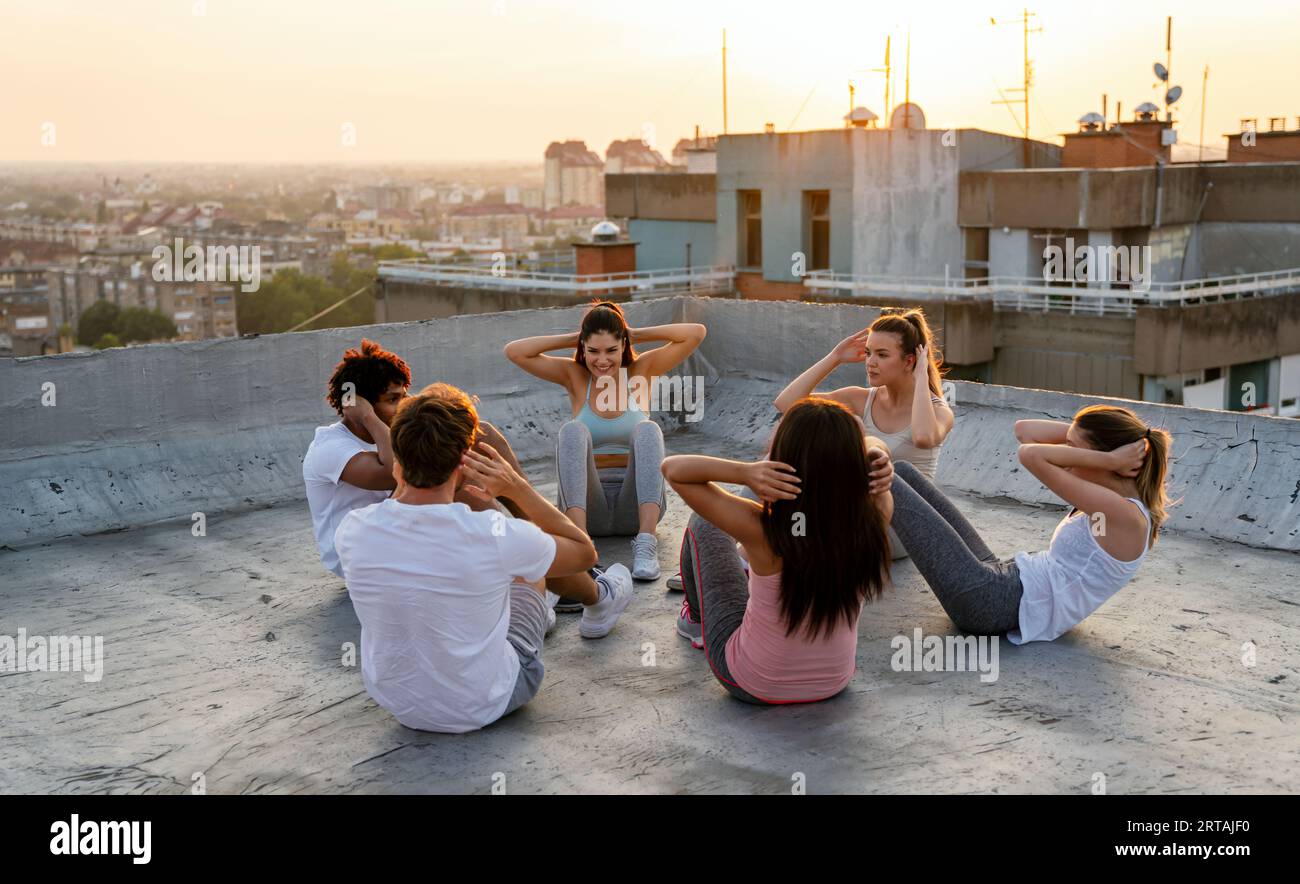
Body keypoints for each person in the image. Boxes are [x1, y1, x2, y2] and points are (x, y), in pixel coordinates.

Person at [333, 384, 634, 735]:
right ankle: (602, 600)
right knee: (528, 568)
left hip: (402, 705)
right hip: (486, 702)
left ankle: (535, 612)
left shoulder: (353, 530)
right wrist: (515, 487)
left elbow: (413, 545)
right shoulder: (491, 532)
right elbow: (584, 551)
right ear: (464, 461)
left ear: (397, 459)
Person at [663, 398, 895, 703]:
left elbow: (673, 469)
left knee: (703, 522)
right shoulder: (872, 521)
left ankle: (694, 621)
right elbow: (871, 444)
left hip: (753, 683)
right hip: (834, 682)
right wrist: (877, 457)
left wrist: (745, 473)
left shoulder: (764, 530)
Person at [887, 405, 1171, 644]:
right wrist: (1087, 437)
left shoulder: (1124, 515)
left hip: (990, 602)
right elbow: (1024, 430)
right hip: (1004, 576)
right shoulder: (1115, 500)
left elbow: (1030, 454)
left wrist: (1107, 457)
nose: (1066, 457)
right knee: (904, 471)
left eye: (1072, 450)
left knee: (886, 478)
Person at [504, 300, 706, 588]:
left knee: (648, 429)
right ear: (583, 348)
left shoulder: (642, 371)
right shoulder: (575, 376)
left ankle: (646, 545)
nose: (602, 360)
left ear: (623, 346)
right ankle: (580, 547)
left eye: (611, 350)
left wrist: (633, 332)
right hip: (587, 509)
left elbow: (695, 332)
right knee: (572, 431)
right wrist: (578, 336)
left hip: (636, 508)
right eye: (593, 350)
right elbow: (515, 351)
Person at [302, 339, 525, 579]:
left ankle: (531, 521)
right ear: (360, 404)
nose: (404, 405)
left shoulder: (391, 428)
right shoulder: (330, 447)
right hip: (359, 554)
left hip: (398, 531)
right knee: (451, 478)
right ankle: (516, 563)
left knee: (481, 433)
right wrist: (368, 418)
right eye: (392, 399)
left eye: (405, 396)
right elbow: (394, 472)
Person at [773, 309, 954, 560]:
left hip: (902, 527)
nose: (870, 362)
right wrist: (835, 357)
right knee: (785, 498)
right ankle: (753, 560)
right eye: (869, 353)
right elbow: (787, 404)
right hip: (854, 511)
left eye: (882, 355)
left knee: (799, 532)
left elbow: (924, 437)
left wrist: (921, 375)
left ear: (909, 361)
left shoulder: (939, 410)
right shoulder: (862, 398)